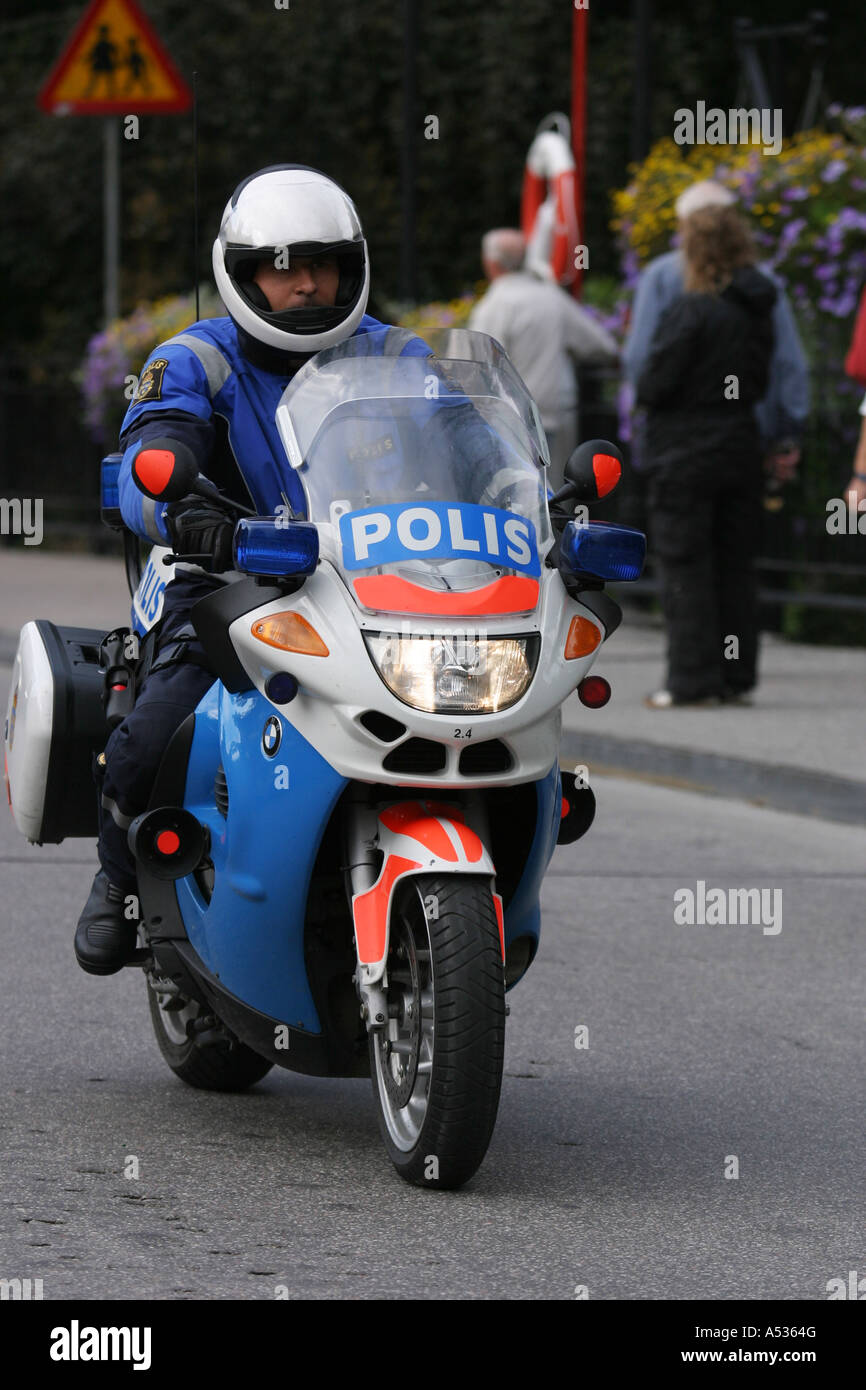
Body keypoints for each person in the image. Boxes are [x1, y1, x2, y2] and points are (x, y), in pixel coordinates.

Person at [75, 165, 530, 977]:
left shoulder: (396, 353)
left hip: (386, 580)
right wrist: (180, 507)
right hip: (232, 578)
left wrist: (522, 497)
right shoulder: (196, 359)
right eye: (283, 266)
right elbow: (151, 453)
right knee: (155, 730)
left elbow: (474, 444)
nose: (307, 283)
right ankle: (116, 880)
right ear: (245, 273)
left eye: (321, 262)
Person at [635, 203, 776, 707]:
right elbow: (762, 381)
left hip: (685, 452)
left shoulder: (691, 310)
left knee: (685, 564)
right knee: (736, 564)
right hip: (739, 446)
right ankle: (735, 675)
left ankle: (692, 679)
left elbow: (653, 382)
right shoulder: (757, 310)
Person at [623, 180, 809, 489]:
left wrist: (651, 407)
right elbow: (788, 362)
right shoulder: (762, 283)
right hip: (747, 437)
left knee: (678, 533)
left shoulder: (662, 277)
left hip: (678, 441)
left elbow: (639, 360)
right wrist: (788, 432)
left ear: (685, 226)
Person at [468, 228, 619, 489]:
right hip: (557, 414)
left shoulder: (493, 307)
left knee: (517, 501)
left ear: (490, 262)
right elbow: (603, 347)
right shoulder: (551, 298)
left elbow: (471, 371)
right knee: (559, 500)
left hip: (509, 422)